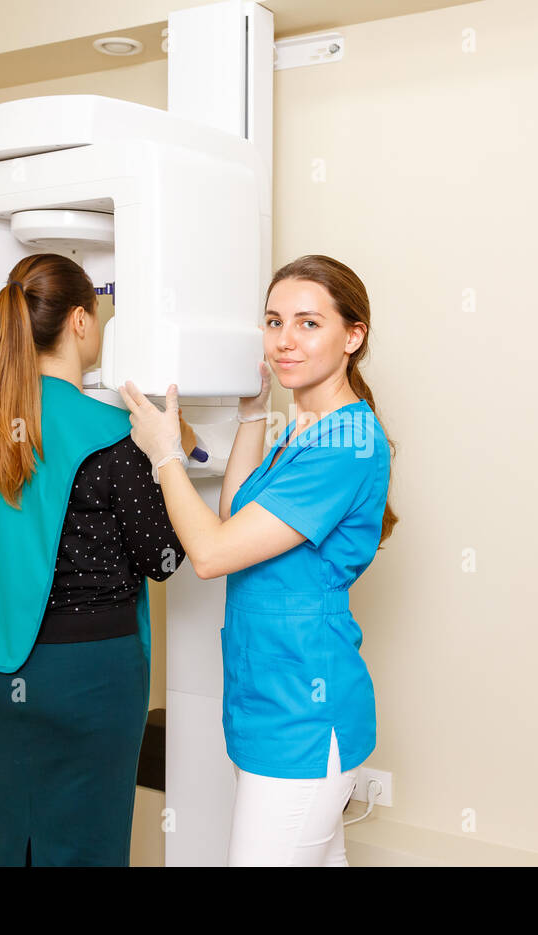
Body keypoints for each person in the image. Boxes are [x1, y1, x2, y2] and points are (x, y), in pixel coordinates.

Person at [121, 253, 397, 866]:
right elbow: (234, 515)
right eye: (273, 323)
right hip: (272, 699)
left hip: (303, 711)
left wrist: (167, 454)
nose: (284, 341)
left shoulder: (346, 444)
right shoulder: (307, 429)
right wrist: (252, 415)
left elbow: (213, 553)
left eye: (308, 323)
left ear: (354, 336)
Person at [0, 252, 197, 866]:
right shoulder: (111, 433)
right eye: (96, 314)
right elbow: (163, 560)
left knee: (13, 841)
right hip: (88, 680)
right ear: (79, 322)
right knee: (85, 848)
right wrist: (168, 457)